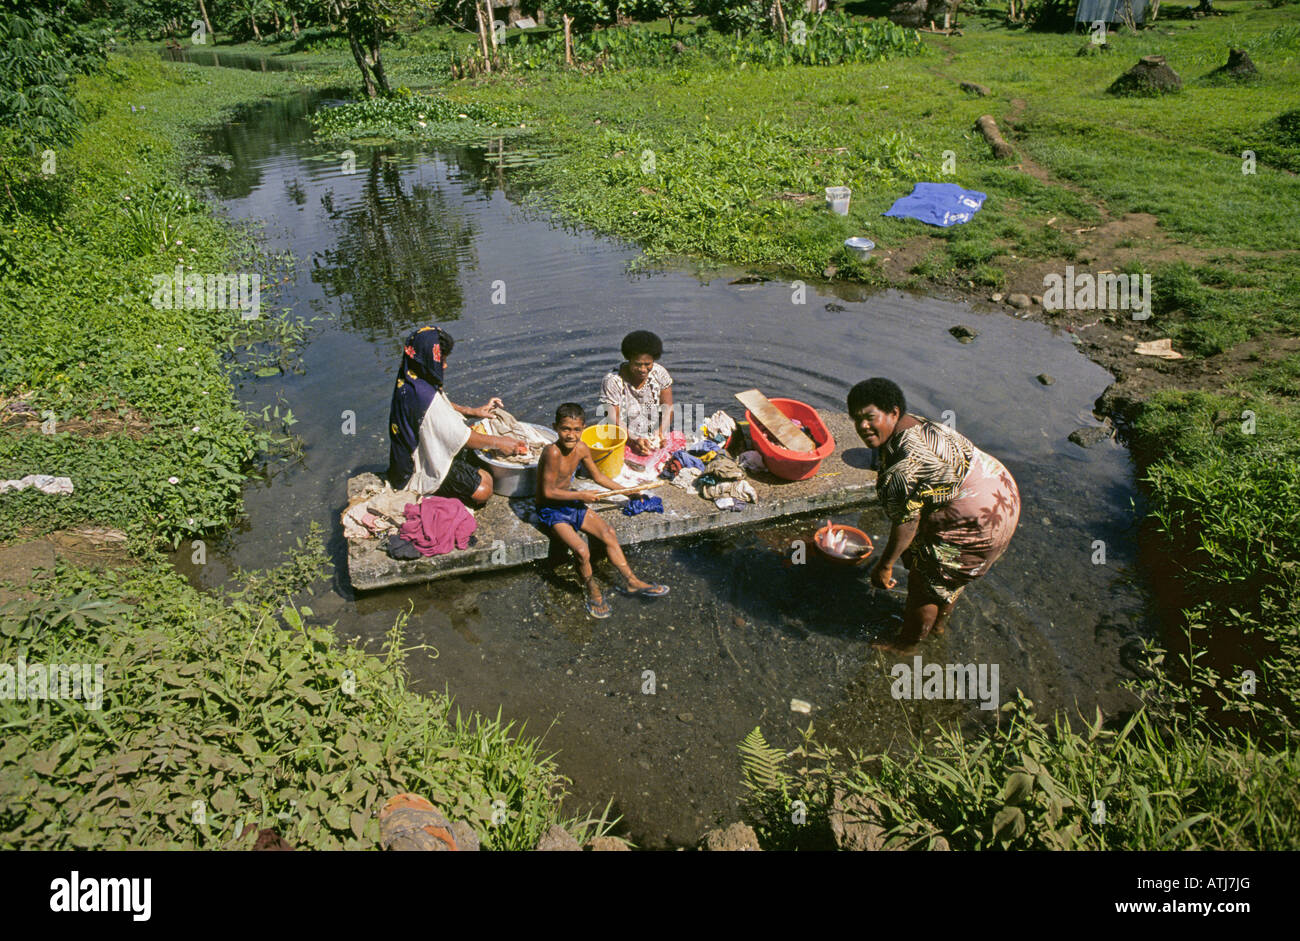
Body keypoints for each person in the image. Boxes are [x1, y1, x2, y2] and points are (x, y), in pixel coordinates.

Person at [848, 378, 1020, 653]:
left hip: (978, 519)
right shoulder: (916, 424)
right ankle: (939, 625)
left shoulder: (902, 470)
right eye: (856, 420)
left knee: (923, 585)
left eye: (870, 418)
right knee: (948, 574)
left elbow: (907, 523)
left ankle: (906, 644)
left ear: (893, 412)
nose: (863, 427)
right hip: (1000, 493)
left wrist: (885, 565)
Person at [537, 403, 669, 618]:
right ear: (555, 427)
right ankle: (592, 589)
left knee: (608, 533)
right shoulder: (551, 452)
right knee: (581, 550)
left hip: (570, 502)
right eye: (565, 429)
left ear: (583, 428)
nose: (571, 435)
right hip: (551, 509)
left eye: (576, 430)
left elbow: (598, 477)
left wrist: (628, 491)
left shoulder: (581, 448)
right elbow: (548, 492)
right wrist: (581, 495)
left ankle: (632, 581)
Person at [386, 325, 526, 507]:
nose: (444, 365)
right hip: (415, 470)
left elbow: (439, 406)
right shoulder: (423, 395)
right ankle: (431, 492)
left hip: (402, 462)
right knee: (484, 487)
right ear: (429, 358)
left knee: (476, 465)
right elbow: (462, 437)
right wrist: (500, 442)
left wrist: (472, 411)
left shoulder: (410, 377)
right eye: (441, 359)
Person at [599, 330, 674, 456]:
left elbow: (668, 408)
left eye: (647, 364)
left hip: (652, 429)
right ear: (629, 359)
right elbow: (613, 417)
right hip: (624, 432)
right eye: (637, 364)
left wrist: (660, 433)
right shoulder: (612, 380)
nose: (643, 370)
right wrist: (633, 439)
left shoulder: (659, 373)